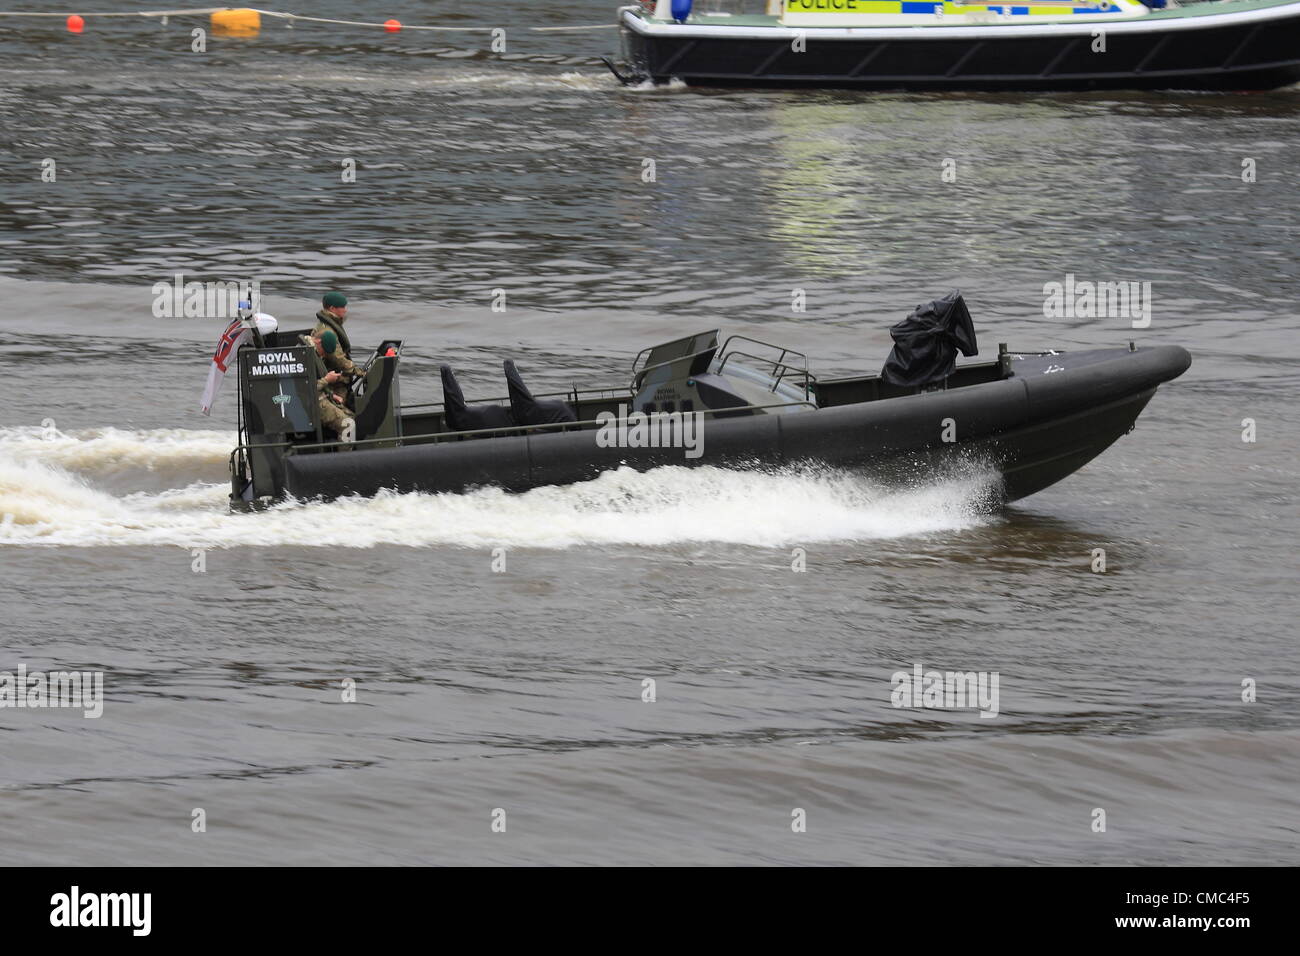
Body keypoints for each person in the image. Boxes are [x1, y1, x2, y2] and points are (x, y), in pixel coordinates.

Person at [301, 329, 356, 446]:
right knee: (348, 424)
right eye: (324, 351)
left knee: (352, 416)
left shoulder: (312, 352)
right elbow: (304, 389)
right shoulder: (304, 355)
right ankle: (345, 456)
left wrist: (332, 395)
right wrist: (327, 380)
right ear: (318, 342)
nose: (324, 355)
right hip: (312, 402)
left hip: (321, 397)